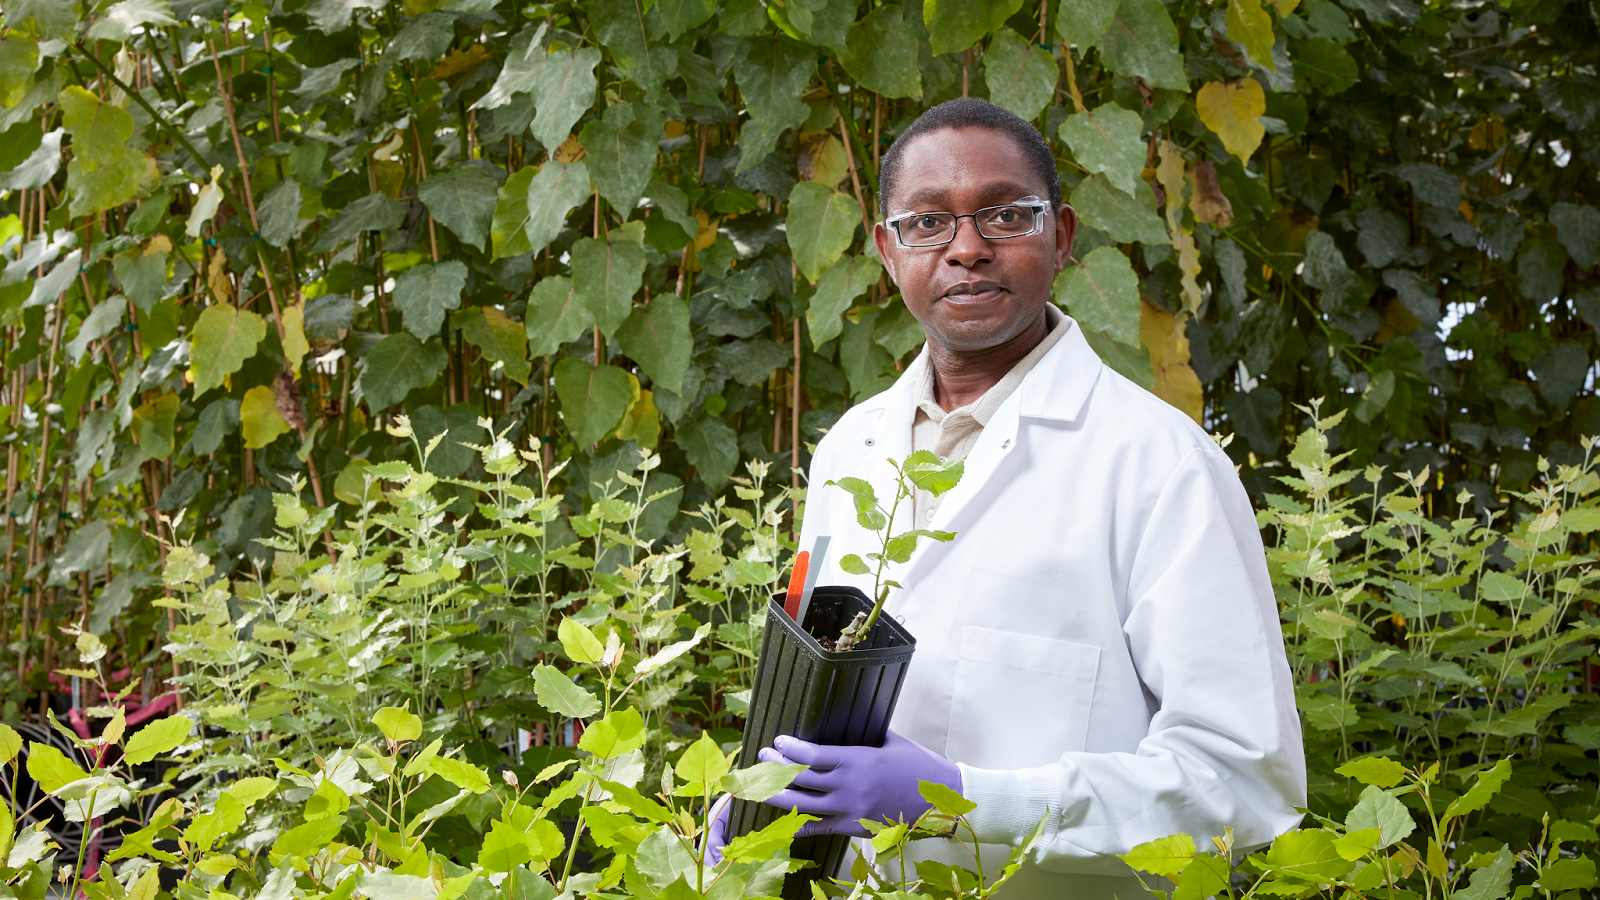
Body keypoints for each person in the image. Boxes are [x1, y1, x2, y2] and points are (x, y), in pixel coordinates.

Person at [707, 98, 1305, 899]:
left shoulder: (1162, 467)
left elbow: (1243, 785)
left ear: (1059, 237)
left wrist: (965, 801)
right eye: (926, 223)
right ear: (888, 251)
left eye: (1003, 216)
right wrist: (760, 805)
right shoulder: (852, 448)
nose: (966, 249)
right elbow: (822, 698)